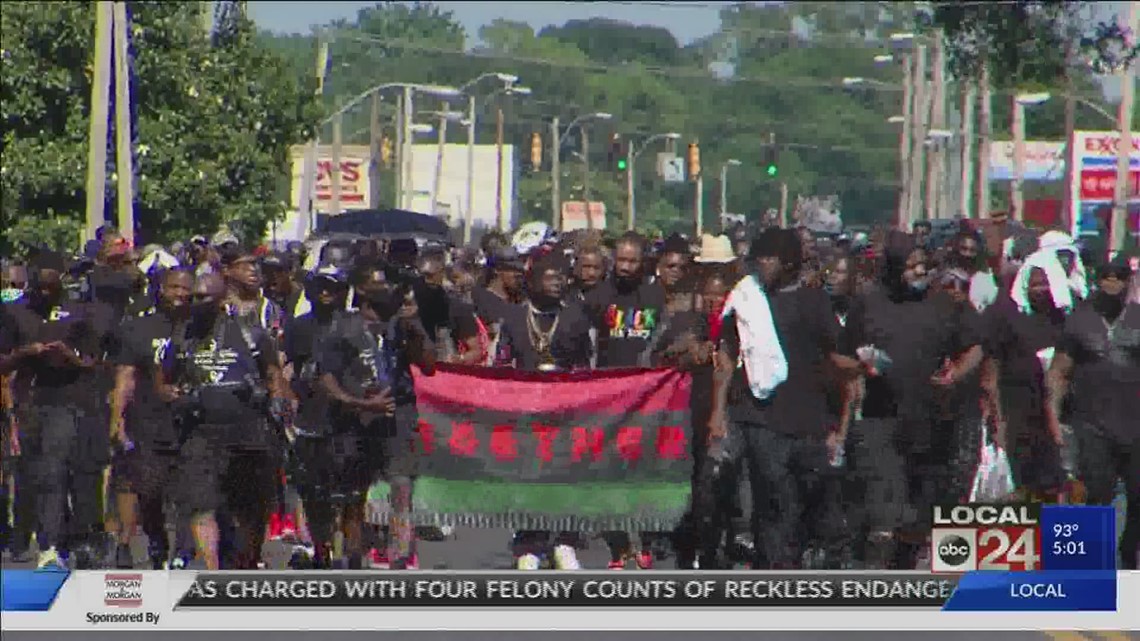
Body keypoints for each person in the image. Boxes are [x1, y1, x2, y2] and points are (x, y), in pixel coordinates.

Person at [708, 229, 857, 570]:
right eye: (757, 258)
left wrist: (846, 408)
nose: (762, 265)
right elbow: (728, 356)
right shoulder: (747, 300)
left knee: (805, 501)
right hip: (760, 419)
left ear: (788, 261)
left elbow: (836, 358)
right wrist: (718, 413)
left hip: (807, 422)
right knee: (772, 501)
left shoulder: (813, 301)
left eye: (769, 258)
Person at [841, 231, 984, 569]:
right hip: (881, 421)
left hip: (932, 422)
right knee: (884, 517)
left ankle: (904, 574)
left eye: (923, 265)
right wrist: (861, 366)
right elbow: (840, 355)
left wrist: (956, 373)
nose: (919, 272)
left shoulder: (946, 302)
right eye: (910, 266)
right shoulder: (869, 303)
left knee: (919, 518)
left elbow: (975, 347)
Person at [157, 273, 288, 569]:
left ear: (220, 300)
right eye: (192, 298)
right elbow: (163, 381)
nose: (195, 303)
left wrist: (275, 403)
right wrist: (174, 395)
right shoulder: (182, 336)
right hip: (201, 432)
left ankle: (246, 564)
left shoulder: (249, 333)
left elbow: (273, 373)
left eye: (203, 297)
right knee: (201, 503)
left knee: (248, 509)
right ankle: (212, 573)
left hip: (247, 430)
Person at [313, 261, 437, 569]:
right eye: (378, 285)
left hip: (398, 413)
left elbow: (429, 366)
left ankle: (400, 556)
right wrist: (357, 402)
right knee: (354, 494)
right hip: (356, 417)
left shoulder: (400, 324)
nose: (388, 292)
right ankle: (355, 556)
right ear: (363, 291)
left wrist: (415, 326)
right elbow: (327, 377)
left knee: (401, 485)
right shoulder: (342, 326)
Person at [0, 251, 116, 568]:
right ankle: (35, 538)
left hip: (71, 400)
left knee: (62, 471)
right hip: (32, 401)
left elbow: (95, 362)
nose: (45, 293)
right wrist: (27, 351)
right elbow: (3, 360)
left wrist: (70, 356)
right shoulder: (14, 312)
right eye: (40, 288)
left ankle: (62, 541)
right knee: (32, 474)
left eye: (52, 287)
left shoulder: (80, 311)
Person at [1046, 255, 1139, 569]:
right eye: (1107, 276)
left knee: (1138, 499)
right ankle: (1088, 567)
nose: (1113, 282)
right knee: (1096, 493)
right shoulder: (1079, 320)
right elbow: (1059, 372)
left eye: (1119, 276)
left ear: (1129, 281)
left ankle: (1129, 561)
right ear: (1097, 280)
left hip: (1136, 426)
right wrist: (1054, 418)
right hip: (1091, 425)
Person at [583, 231, 668, 569]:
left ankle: (644, 542)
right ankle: (618, 546)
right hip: (609, 397)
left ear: (643, 261)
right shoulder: (599, 296)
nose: (626, 267)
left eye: (633, 261)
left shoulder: (655, 295)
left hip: (649, 396)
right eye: (621, 260)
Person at [107, 267, 195, 569]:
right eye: (174, 288)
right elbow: (126, 377)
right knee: (148, 491)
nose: (181, 295)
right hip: (147, 421)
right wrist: (117, 419)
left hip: (192, 423)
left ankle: (183, 552)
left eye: (186, 289)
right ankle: (153, 541)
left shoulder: (201, 327)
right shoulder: (137, 329)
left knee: (189, 490)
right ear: (161, 289)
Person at [982, 249, 1074, 503]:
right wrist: (998, 421)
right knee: (1019, 489)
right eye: (1035, 284)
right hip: (1016, 415)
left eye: (1046, 283)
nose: (1040, 290)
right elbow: (992, 372)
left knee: (1055, 486)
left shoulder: (1062, 318)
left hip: (1054, 415)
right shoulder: (1006, 315)